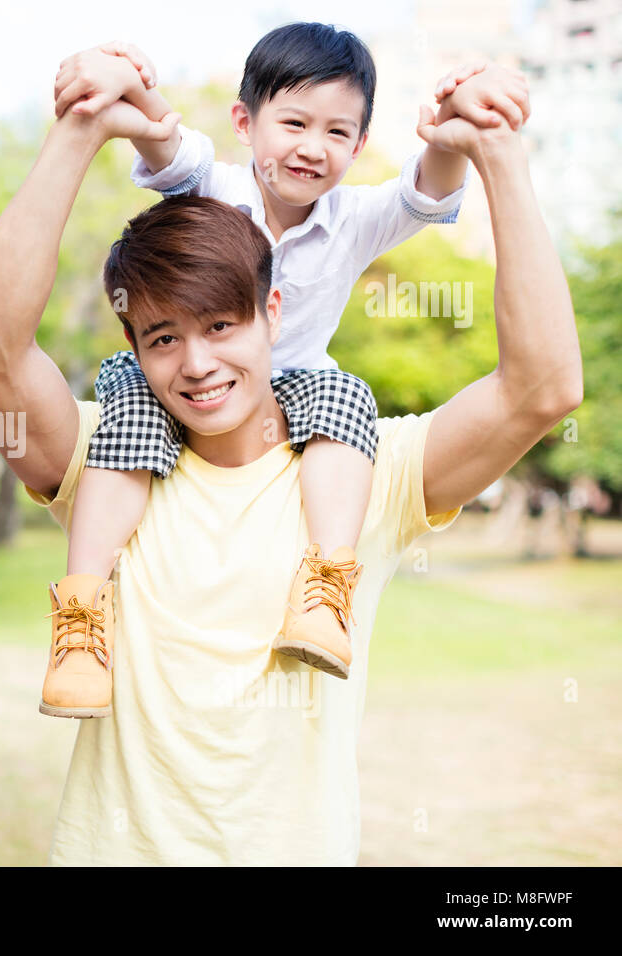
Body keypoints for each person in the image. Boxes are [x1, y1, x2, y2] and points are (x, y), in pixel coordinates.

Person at [0, 83, 579, 863]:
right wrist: (79, 130)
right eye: (163, 339)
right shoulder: (106, 455)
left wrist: (500, 157)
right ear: (133, 345)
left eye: (221, 325)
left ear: (273, 314)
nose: (198, 364)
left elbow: (542, 389)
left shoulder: (359, 473)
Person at [32, 26, 532, 718]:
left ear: (358, 146)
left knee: (346, 399)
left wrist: (453, 127)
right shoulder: (211, 183)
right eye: (293, 122)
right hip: (184, 371)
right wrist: (121, 75)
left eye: (337, 132)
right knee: (126, 418)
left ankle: (326, 586)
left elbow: (429, 185)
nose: (311, 147)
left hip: (295, 385)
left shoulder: (355, 217)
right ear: (246, 122)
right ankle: (82, 611)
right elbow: (155, 131)